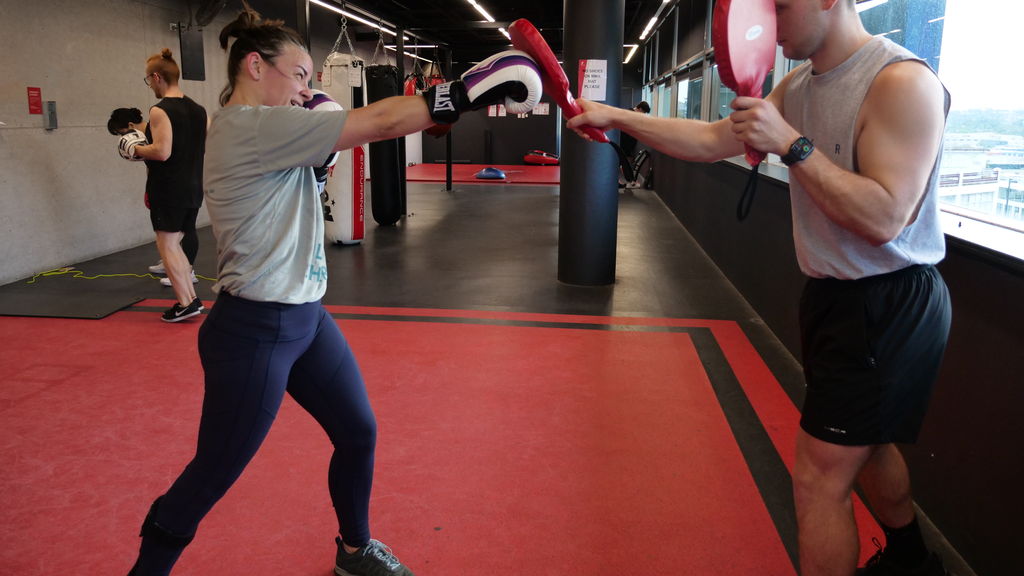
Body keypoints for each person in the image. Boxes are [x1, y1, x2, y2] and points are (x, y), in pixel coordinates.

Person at [124, 3, 541, 576]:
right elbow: (382, 123)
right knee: (213, 472)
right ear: (253, 66)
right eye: (298, 75)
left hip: (306, 318)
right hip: (256, 332)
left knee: (357, 431)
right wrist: (465, 91)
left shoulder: (273, 128)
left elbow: (330, 135)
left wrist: (314, 114)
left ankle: (353, 552)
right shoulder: (250, 126)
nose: (305, 88)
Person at [568, 1, 951, 575]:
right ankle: (914, 561)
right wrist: (617, 117)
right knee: (866, 447)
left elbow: (885, 218)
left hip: (886, 300)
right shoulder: (798, 84)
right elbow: (710, 137)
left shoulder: (901, 82)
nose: (765, 19)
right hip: (833, 297)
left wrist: (792, 145)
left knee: (819, 479)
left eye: (777, 3)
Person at [127, 49, 208, 322]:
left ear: (157, 77)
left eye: (148, 80)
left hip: (169, 187)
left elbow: (162, 151)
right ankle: (190, 300)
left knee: (167, 245)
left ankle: (185, 301)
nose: (149, 85)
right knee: (175, 243)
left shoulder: (160, 110)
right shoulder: (198, 109)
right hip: (194, 186)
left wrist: (136, 149)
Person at [107, 107, 200, 287]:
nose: (122, 138)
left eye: (122, 132)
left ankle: (188, 271)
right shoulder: (146, 137)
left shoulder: (157, 131)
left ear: (131, 125)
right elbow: (152, 166)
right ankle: (171, 263)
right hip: (174, 184)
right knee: (172, 229)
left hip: (181, 184)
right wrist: (149, 189)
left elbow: (166, 155)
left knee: (184, 228)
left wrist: (138, 151)